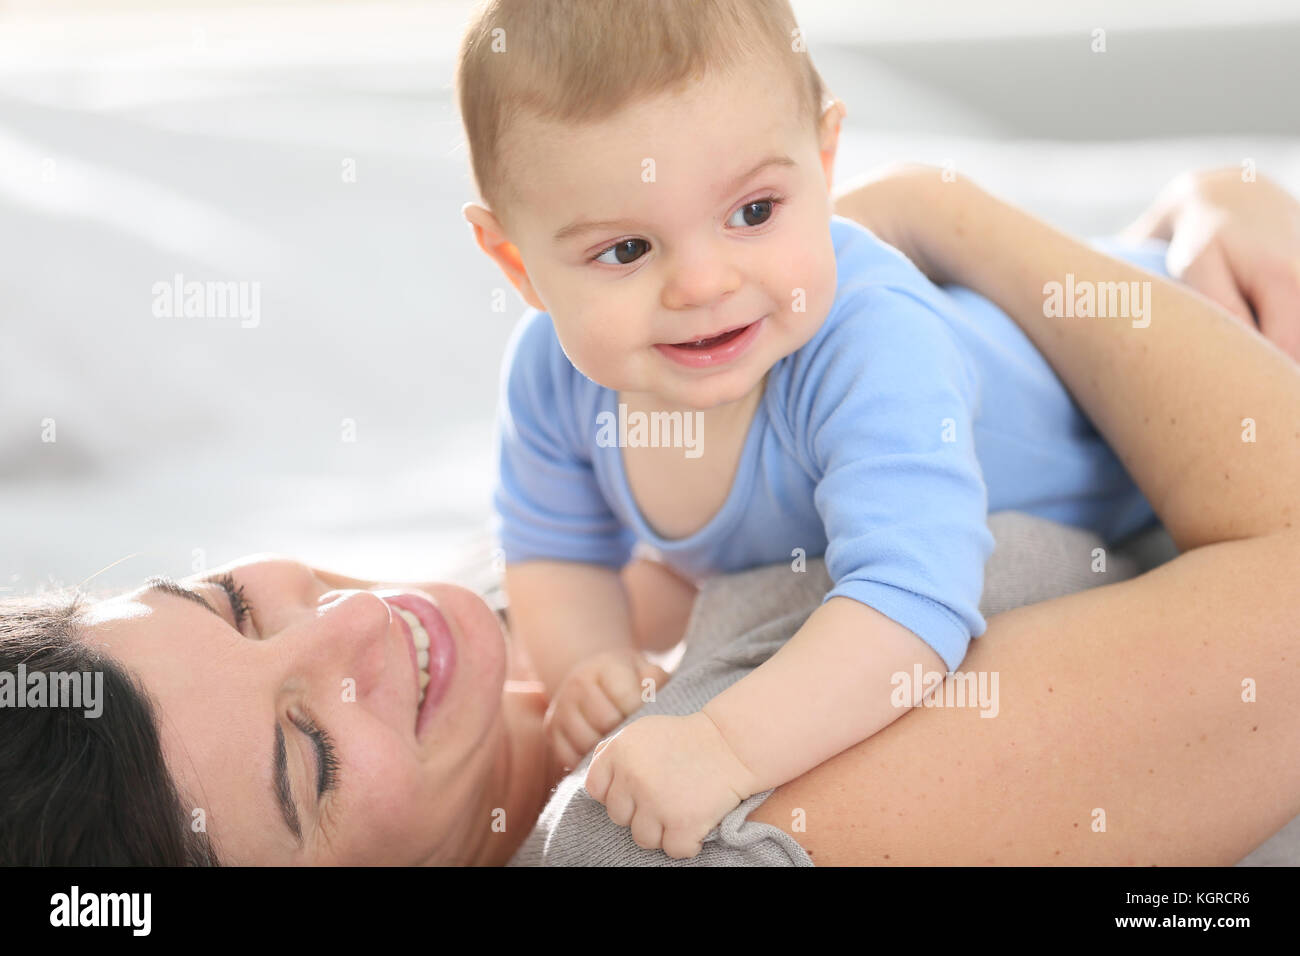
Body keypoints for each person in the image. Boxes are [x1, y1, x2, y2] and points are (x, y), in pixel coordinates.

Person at [2, 160, 1299, 864]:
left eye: (227, 603)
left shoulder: (537, 598)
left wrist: (1195, 221)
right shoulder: (679, 835)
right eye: (308, 760)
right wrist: (926, 218)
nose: (348, 629)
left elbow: (995, 405)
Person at [456, 0, 1300, 856]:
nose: (704, 283)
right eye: (627, 251)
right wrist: (590, 665)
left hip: (1224, 346)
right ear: (516, 262)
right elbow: (552, 549)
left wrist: (724, 746)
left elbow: (911, 607)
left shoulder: (867, 342)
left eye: (753, 212)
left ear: (825, 162)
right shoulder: (550, 377)